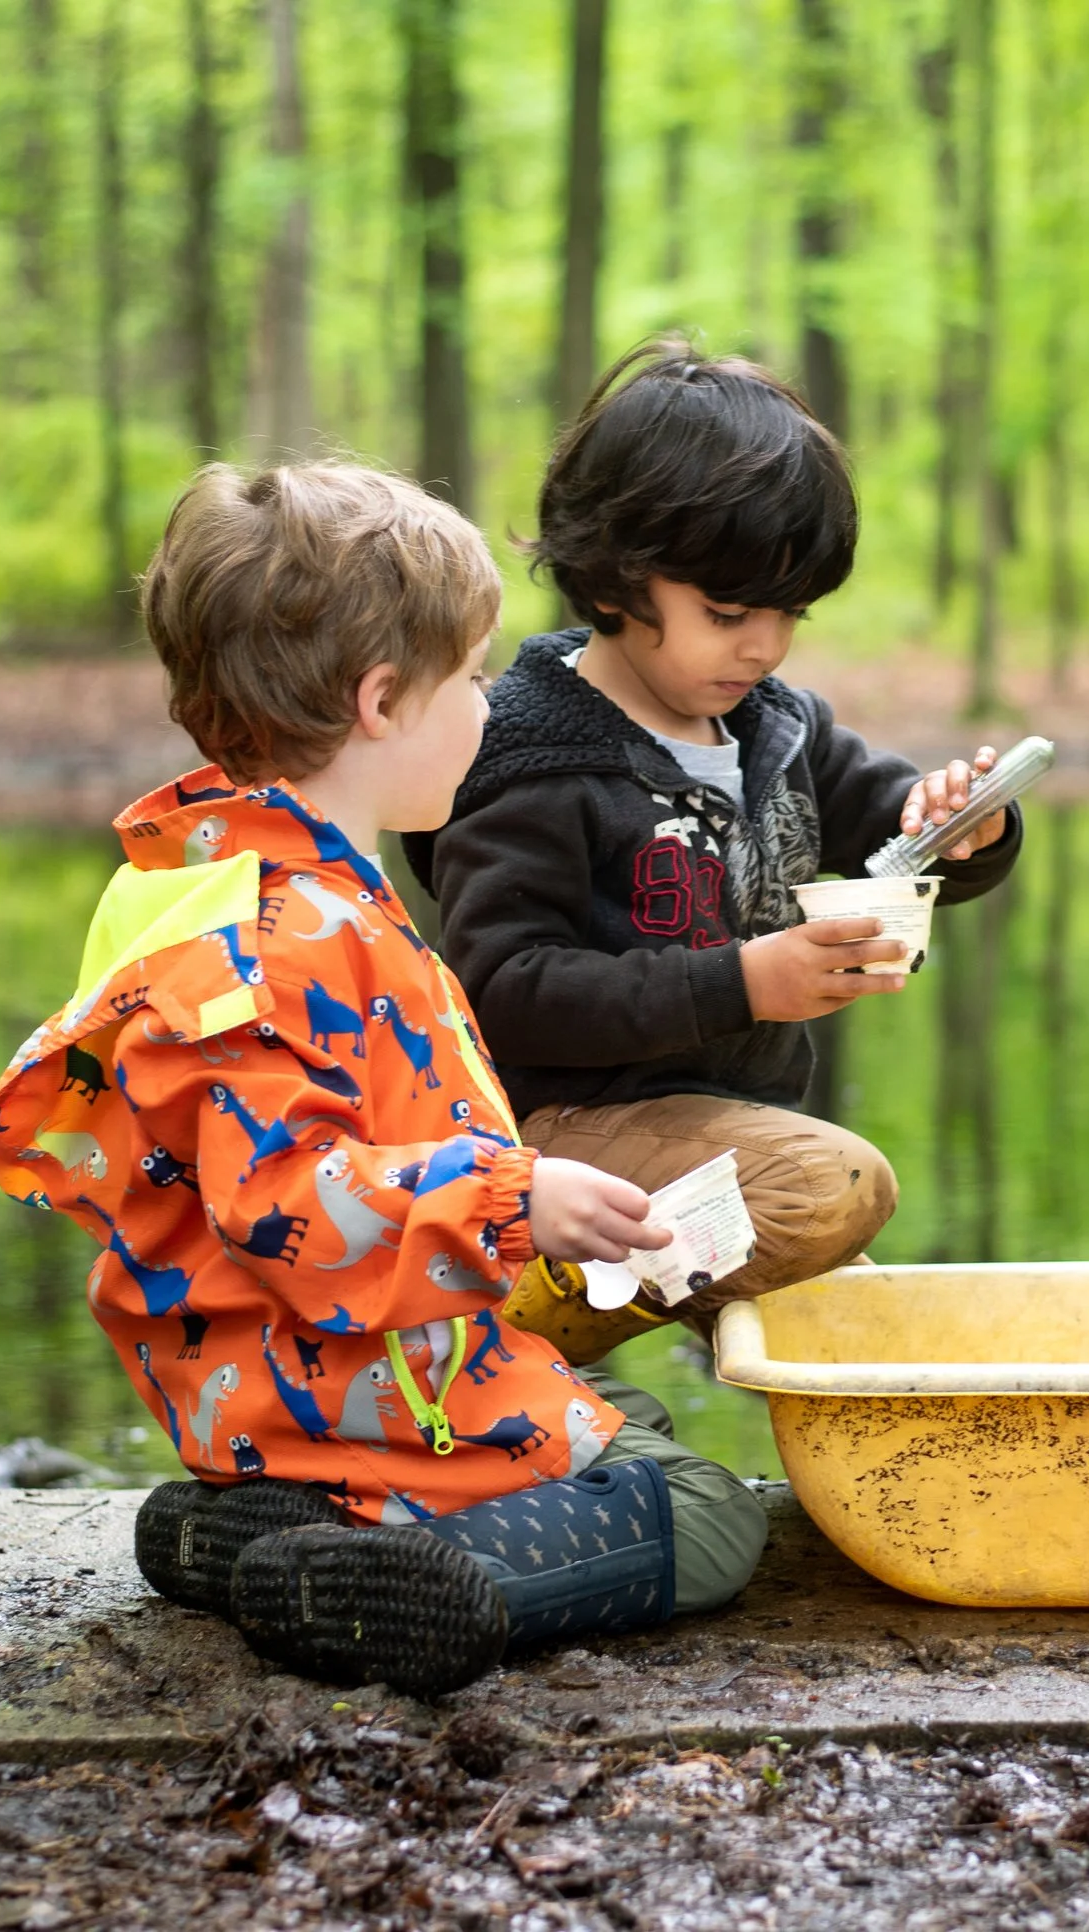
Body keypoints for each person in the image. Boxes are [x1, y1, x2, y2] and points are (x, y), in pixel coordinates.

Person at [0, 463, 770, 1698]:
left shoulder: (219, 879)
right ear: (381, 701)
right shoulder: (280, 945)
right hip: (334, 1375)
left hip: (261, 1383)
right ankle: (402, 1573)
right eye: (474, 677)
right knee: (707, 1512)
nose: (490, 705)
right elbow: (290, 1203)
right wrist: (512, 1199)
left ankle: (244, 1528)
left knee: (623, 1413)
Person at [404, 336, 1024, 1371]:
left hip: (727, 1132)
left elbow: (889, 824)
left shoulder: (774, 726)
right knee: (829, 1192)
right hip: (559, 1134)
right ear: (614, 580)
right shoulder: (529, 756)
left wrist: (961, 828)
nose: (764, 646)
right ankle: (515, 1324)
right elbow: (502, 990)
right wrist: (742, 982)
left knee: (862, 1340)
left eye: (789, 614)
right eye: (728, 614)